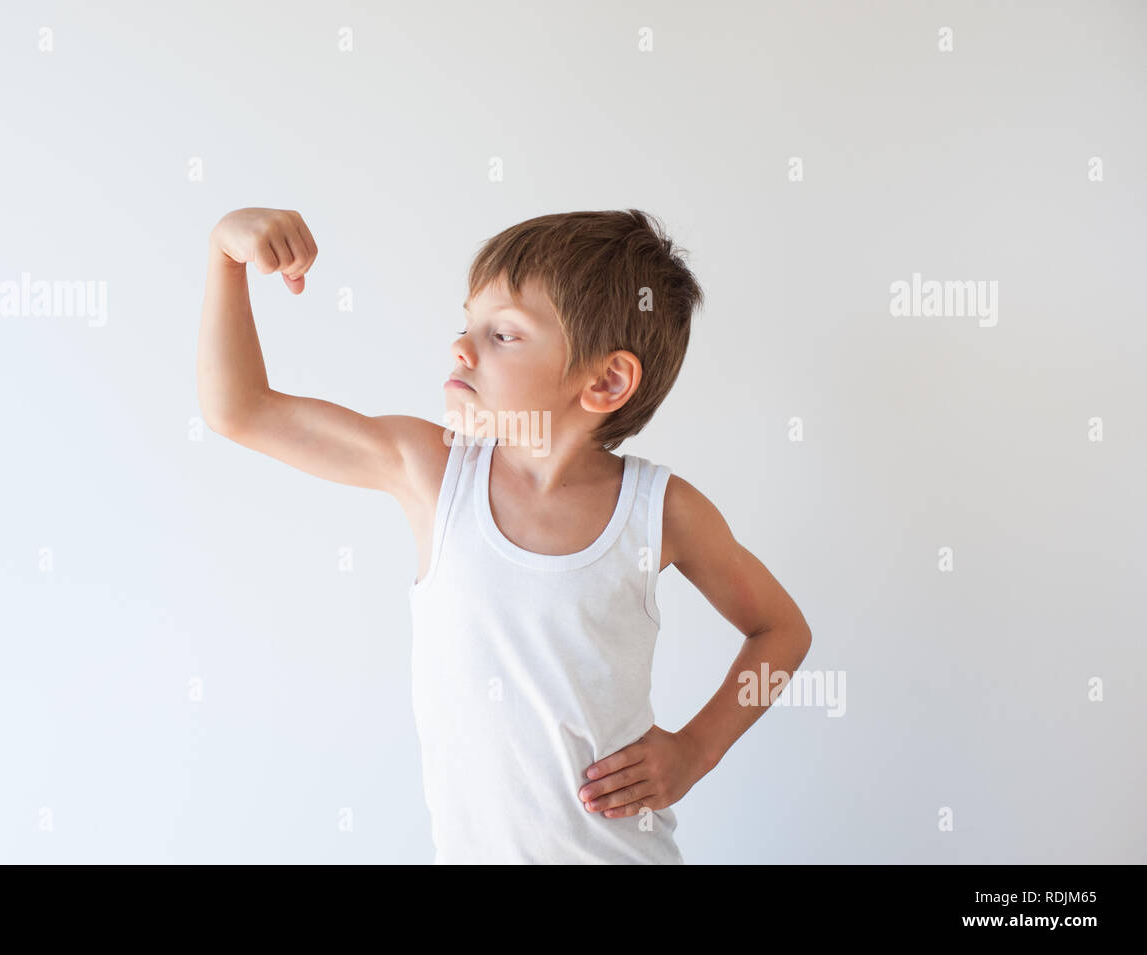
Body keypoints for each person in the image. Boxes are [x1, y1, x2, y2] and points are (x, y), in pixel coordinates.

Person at [197, 207, 813, 864]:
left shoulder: (661, 511)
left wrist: (696, 749)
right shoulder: (432, 472)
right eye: (467, 325)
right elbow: (240, 409)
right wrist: (225, 258)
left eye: (504, 335)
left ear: (606, 380)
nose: (462, 347)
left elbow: (781, 631)